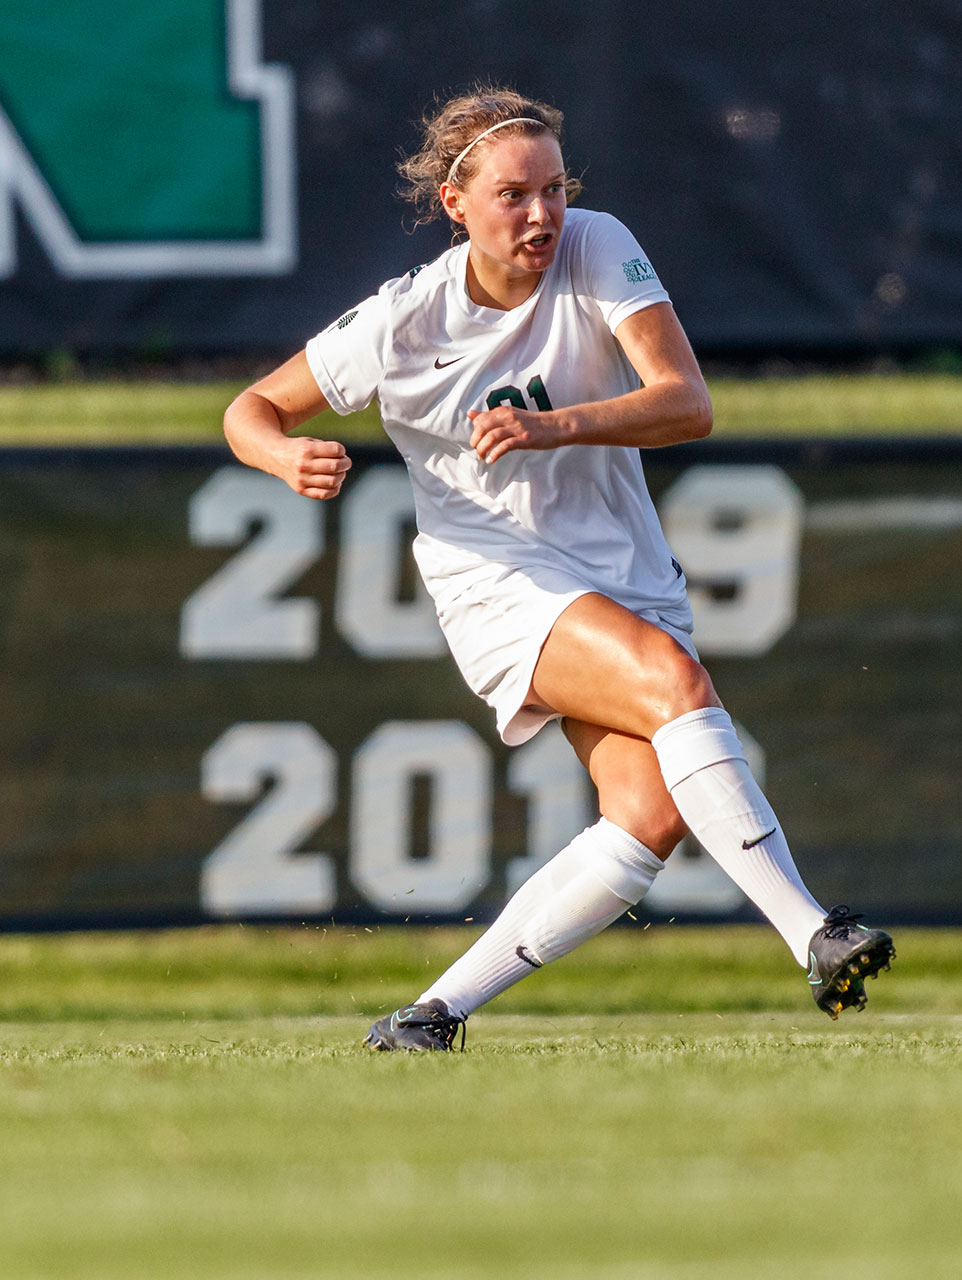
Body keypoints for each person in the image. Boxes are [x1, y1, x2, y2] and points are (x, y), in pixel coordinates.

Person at [219, 86, 893, 1050]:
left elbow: (687, 403)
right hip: (495, 581)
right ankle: (814, 934)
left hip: (621, 568)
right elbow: (250, 409)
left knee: (648, 816)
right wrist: (284, 455)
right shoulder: (402, 321)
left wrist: (551, 426)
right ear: (455, 204)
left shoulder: (596, 244)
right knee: (675, 683)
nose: (541, 215)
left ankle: (430, 1014)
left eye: (553, 189)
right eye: (512, 195)